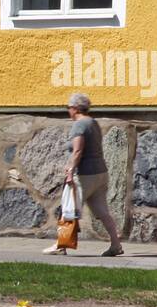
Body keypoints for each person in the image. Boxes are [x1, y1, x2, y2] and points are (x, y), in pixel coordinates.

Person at [43, 93, 125, 257]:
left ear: (74, 108)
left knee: (69, 208)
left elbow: (78, 150)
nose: (68, 111)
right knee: (102, 212)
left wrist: (70, 171)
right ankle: (116, 244)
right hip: (100, 173)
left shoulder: (79, 125)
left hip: (84, 175)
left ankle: (62, 245)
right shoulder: (93, 123)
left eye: (69, 108)